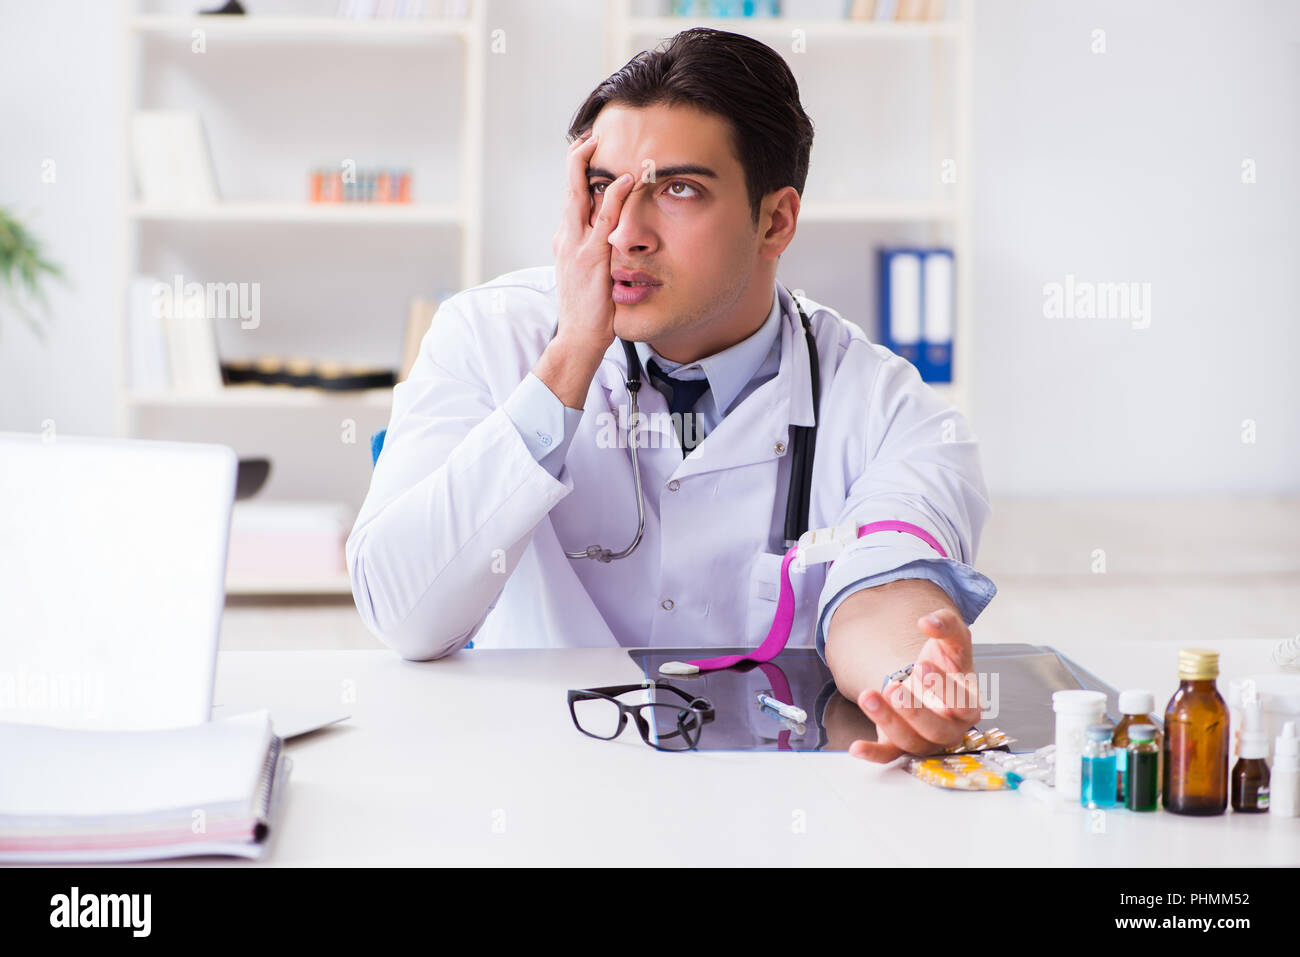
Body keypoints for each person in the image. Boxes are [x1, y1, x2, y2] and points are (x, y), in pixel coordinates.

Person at [346, 28, 997, 763]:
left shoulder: (885, 408)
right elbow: (405, 616)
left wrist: (909, 680)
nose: (626, 232)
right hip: (537, 782)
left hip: (756, 806)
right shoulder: (487, 337)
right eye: (604, 189)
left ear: (774, 220)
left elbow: (882, 590)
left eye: (678, 189)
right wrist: (566, 365)